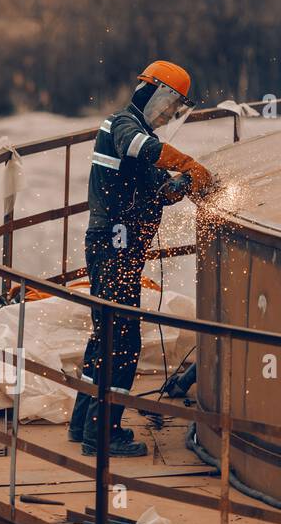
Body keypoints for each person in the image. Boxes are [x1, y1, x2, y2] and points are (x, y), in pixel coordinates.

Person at [67, 60, 215, 456]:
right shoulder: (123, 126)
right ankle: (103, 435)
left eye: (175, 109)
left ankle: (83, 423)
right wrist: (186, 163)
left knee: (106, 334)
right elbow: (142, 148)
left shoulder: (139, 135)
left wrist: (184, 185)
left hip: (118, 252)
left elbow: (157, 190)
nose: (169, 114)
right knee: (122, 339)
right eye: (169, 104)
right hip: (114, 250)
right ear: (152, 91)